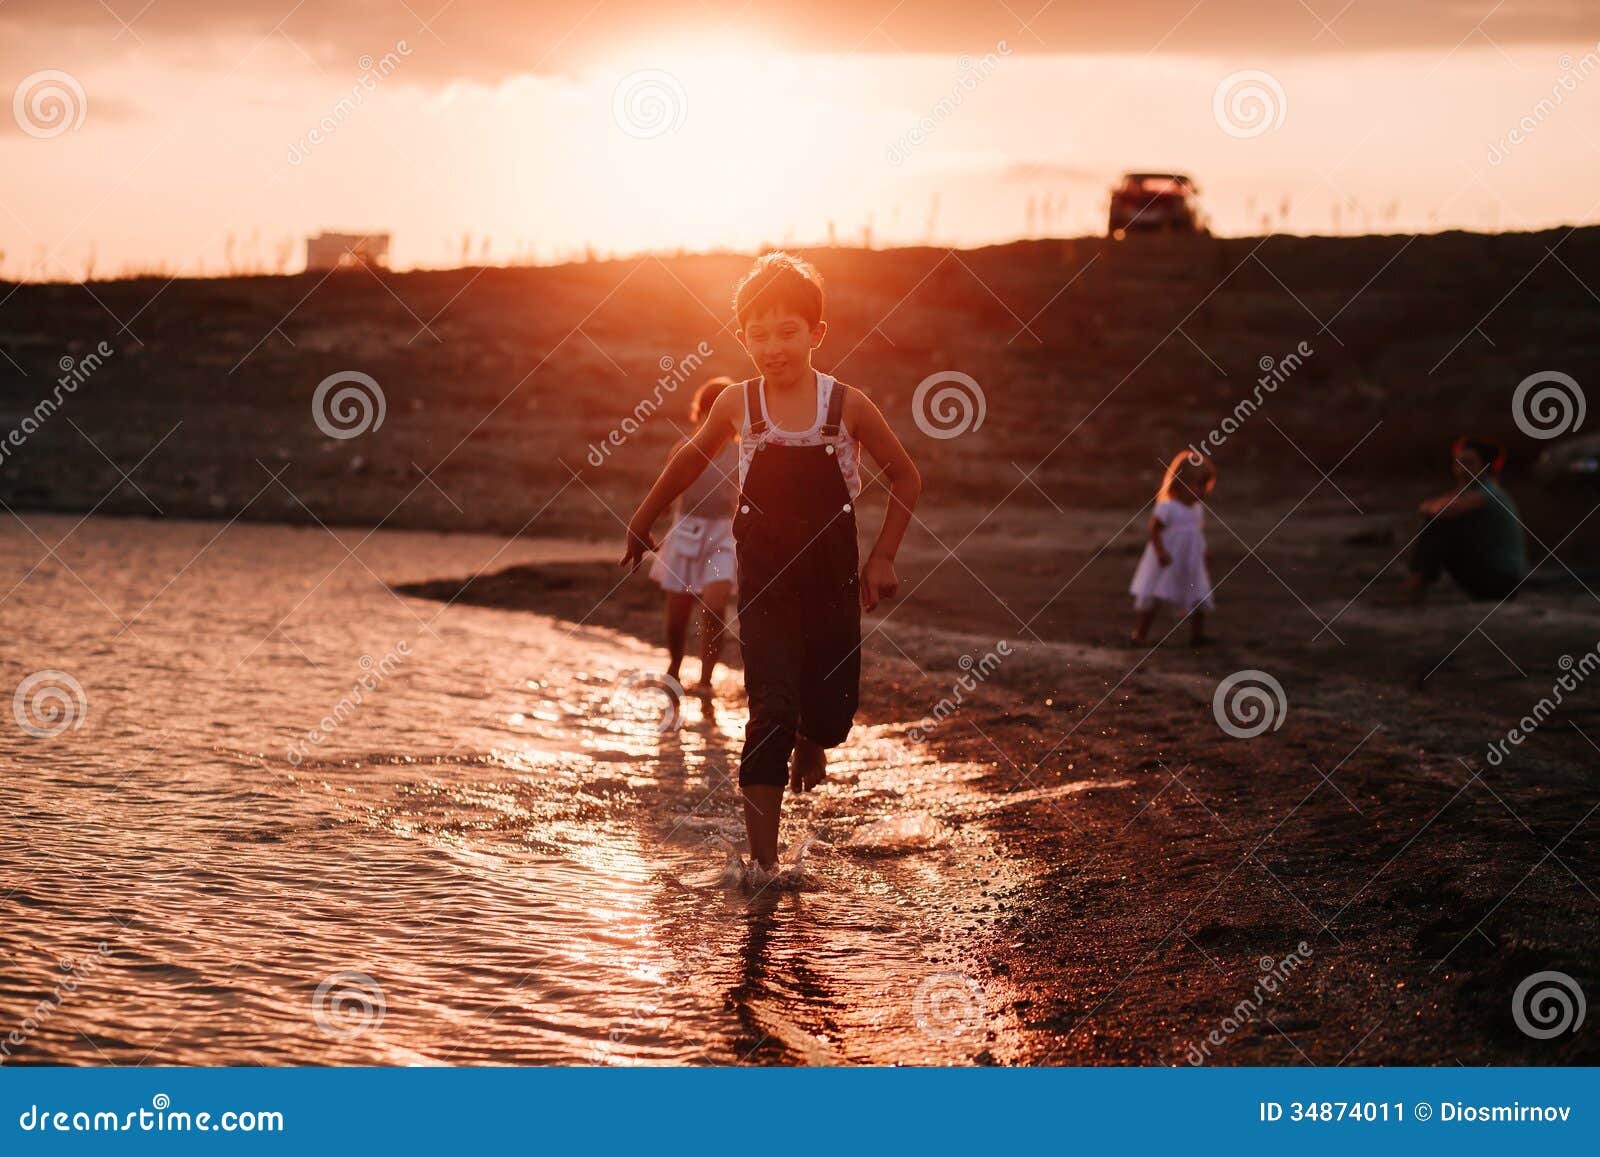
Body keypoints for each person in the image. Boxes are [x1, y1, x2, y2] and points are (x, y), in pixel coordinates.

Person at [621, 252, 922, 873]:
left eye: (787, 332)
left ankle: (814, 742)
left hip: (832, 576)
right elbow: (686, 460)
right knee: (771, 707)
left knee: (831, 708)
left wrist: (883, 556)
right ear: (742, 337)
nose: (772, 346)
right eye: (757, 333)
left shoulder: (846, 406)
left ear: (817, 334)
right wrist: (642, 518)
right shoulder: (739, 404)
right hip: (763, 578)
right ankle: (763, 866)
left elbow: (906, 476)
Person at [648, 376, 739, 696]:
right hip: (685, 529)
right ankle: (673, 666)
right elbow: (667, 490)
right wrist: (652, 514)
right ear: (700, 413)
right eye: (708, 412)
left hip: (723, 536)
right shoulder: (684, 448)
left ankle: (705, 679)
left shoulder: (741, 452)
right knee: (677, 614)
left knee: (714, 608)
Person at [1395, 436, 1527, 603]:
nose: (1462, 469)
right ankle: (1416, 583)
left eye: (1469, 463)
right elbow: (1432, 506)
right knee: (1439, 521)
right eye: (1458, 463)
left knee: (1441, 523)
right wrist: (1432, 509)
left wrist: (1431, 510)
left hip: (1502, 583)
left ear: (1486, 466)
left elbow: (1441, 509)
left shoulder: (1489, 493)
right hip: (1490, 576)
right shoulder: (1471, 489)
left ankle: (1416, 586)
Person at [1129, 451, 1216, 646]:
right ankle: (1139, 634)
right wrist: (1160, 552)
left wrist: (1204, 552)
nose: (1202, 491)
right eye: (1198, 485)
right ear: (1180, 482)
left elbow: (1196, 534)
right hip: (1167, 560)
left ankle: (1197, 636)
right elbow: (1154, 530)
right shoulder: (1167, 507)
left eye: (1205, 486)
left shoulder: (1196, 508)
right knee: (1153, 595)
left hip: (1190, 561)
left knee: (1198, 594)